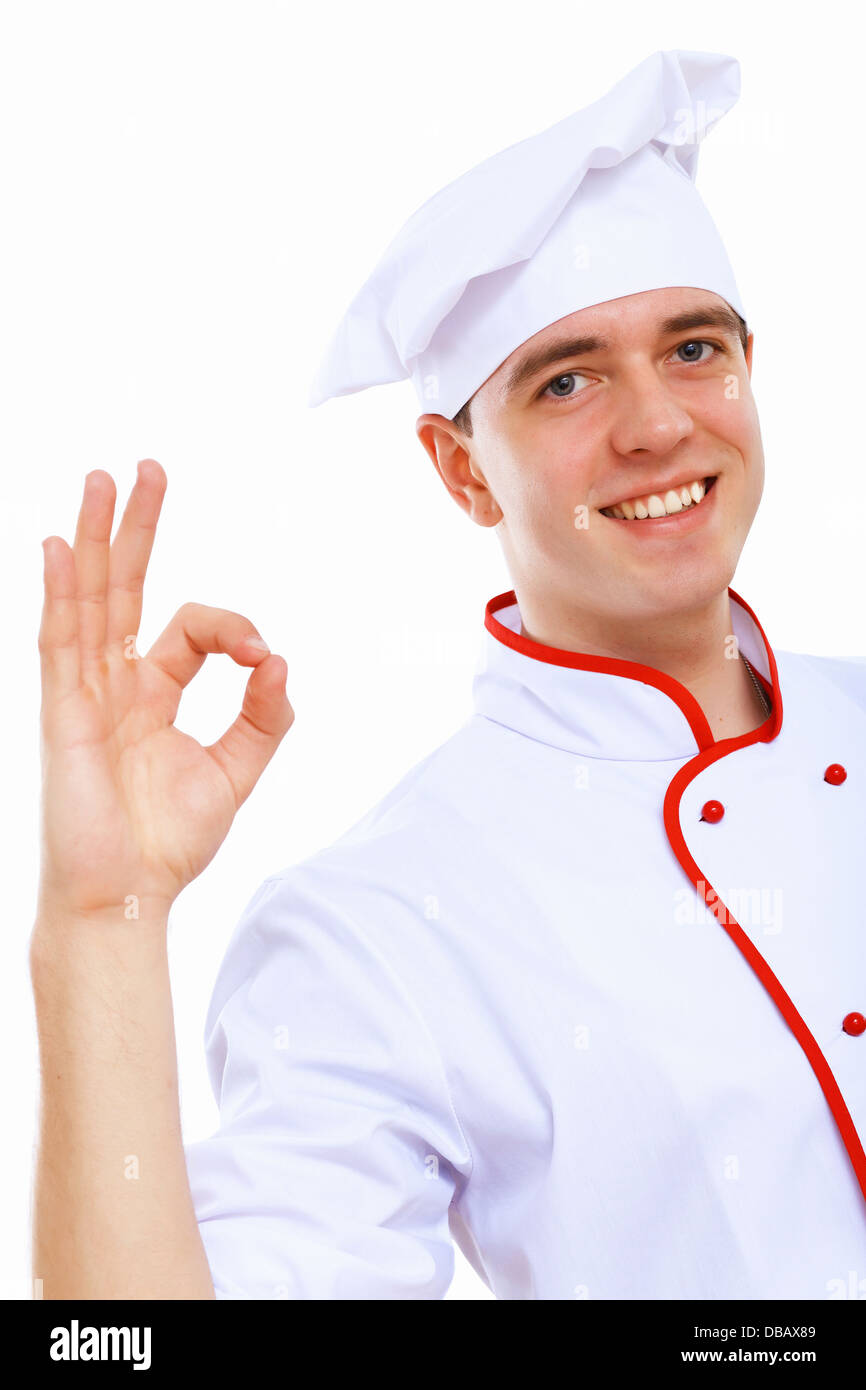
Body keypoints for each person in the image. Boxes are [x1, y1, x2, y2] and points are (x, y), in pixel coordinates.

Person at [30, 49, 866, 1301]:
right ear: (460, 469)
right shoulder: (384, 923)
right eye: (567, 379)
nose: (654, 424)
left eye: (692, 349)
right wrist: (101, 921)